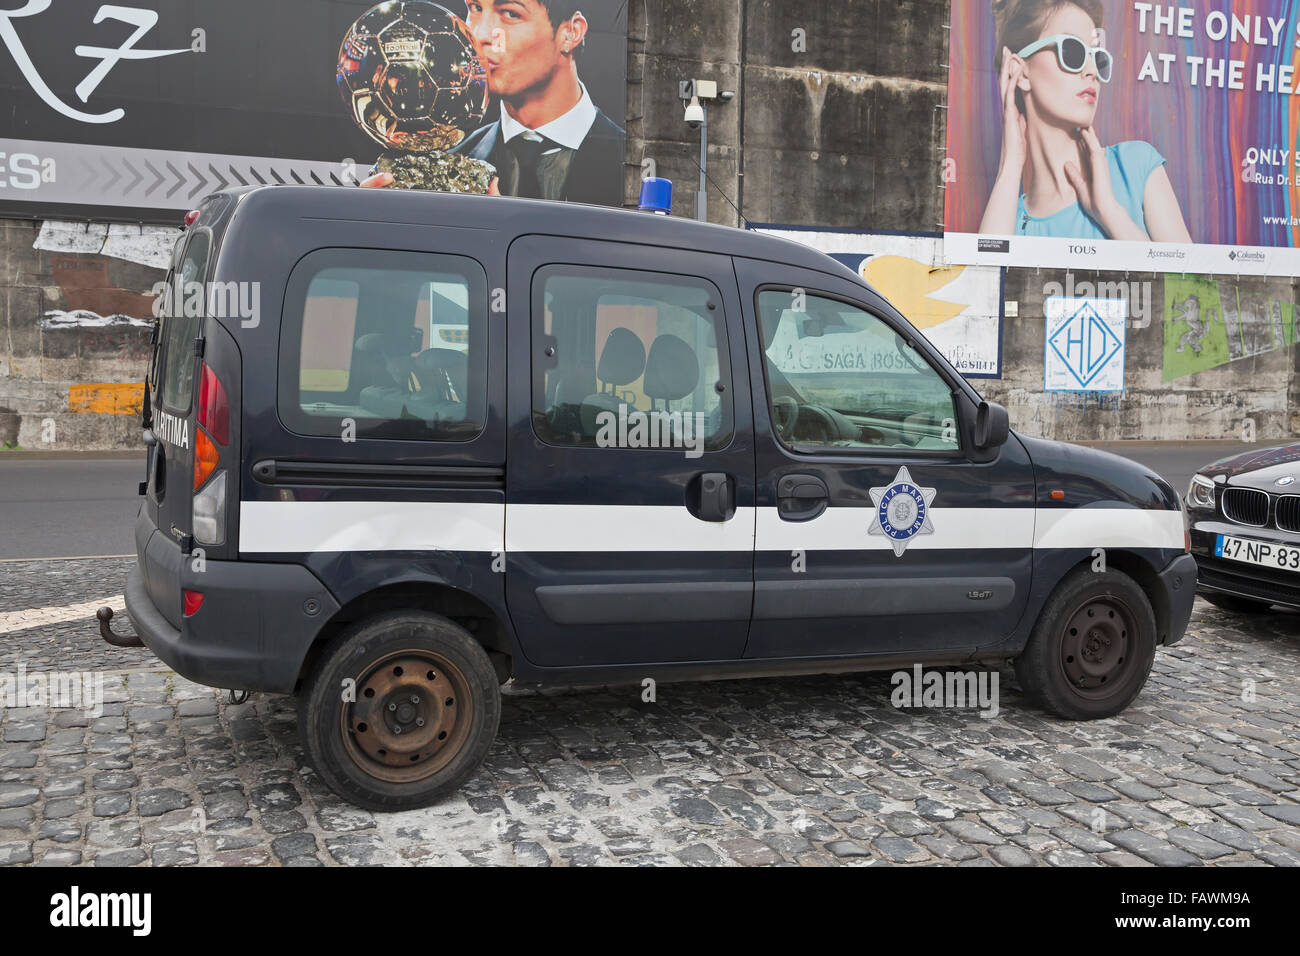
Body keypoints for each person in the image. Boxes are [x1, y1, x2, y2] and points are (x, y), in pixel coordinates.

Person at [363, 0, 623, 205]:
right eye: (475, 8)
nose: (480, 34)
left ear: (570, 32)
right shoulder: (447, 168)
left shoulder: (635, 166)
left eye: (510, 13)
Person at [979, 0, 1191, 242]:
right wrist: (1010, 165)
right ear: (1021, 71)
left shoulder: (1135, 167)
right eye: (1072, 51)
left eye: (1096, 56)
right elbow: (984, 276)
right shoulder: (1007, 222)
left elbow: (1189, 281)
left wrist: (1109, 211)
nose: (1092, 70)